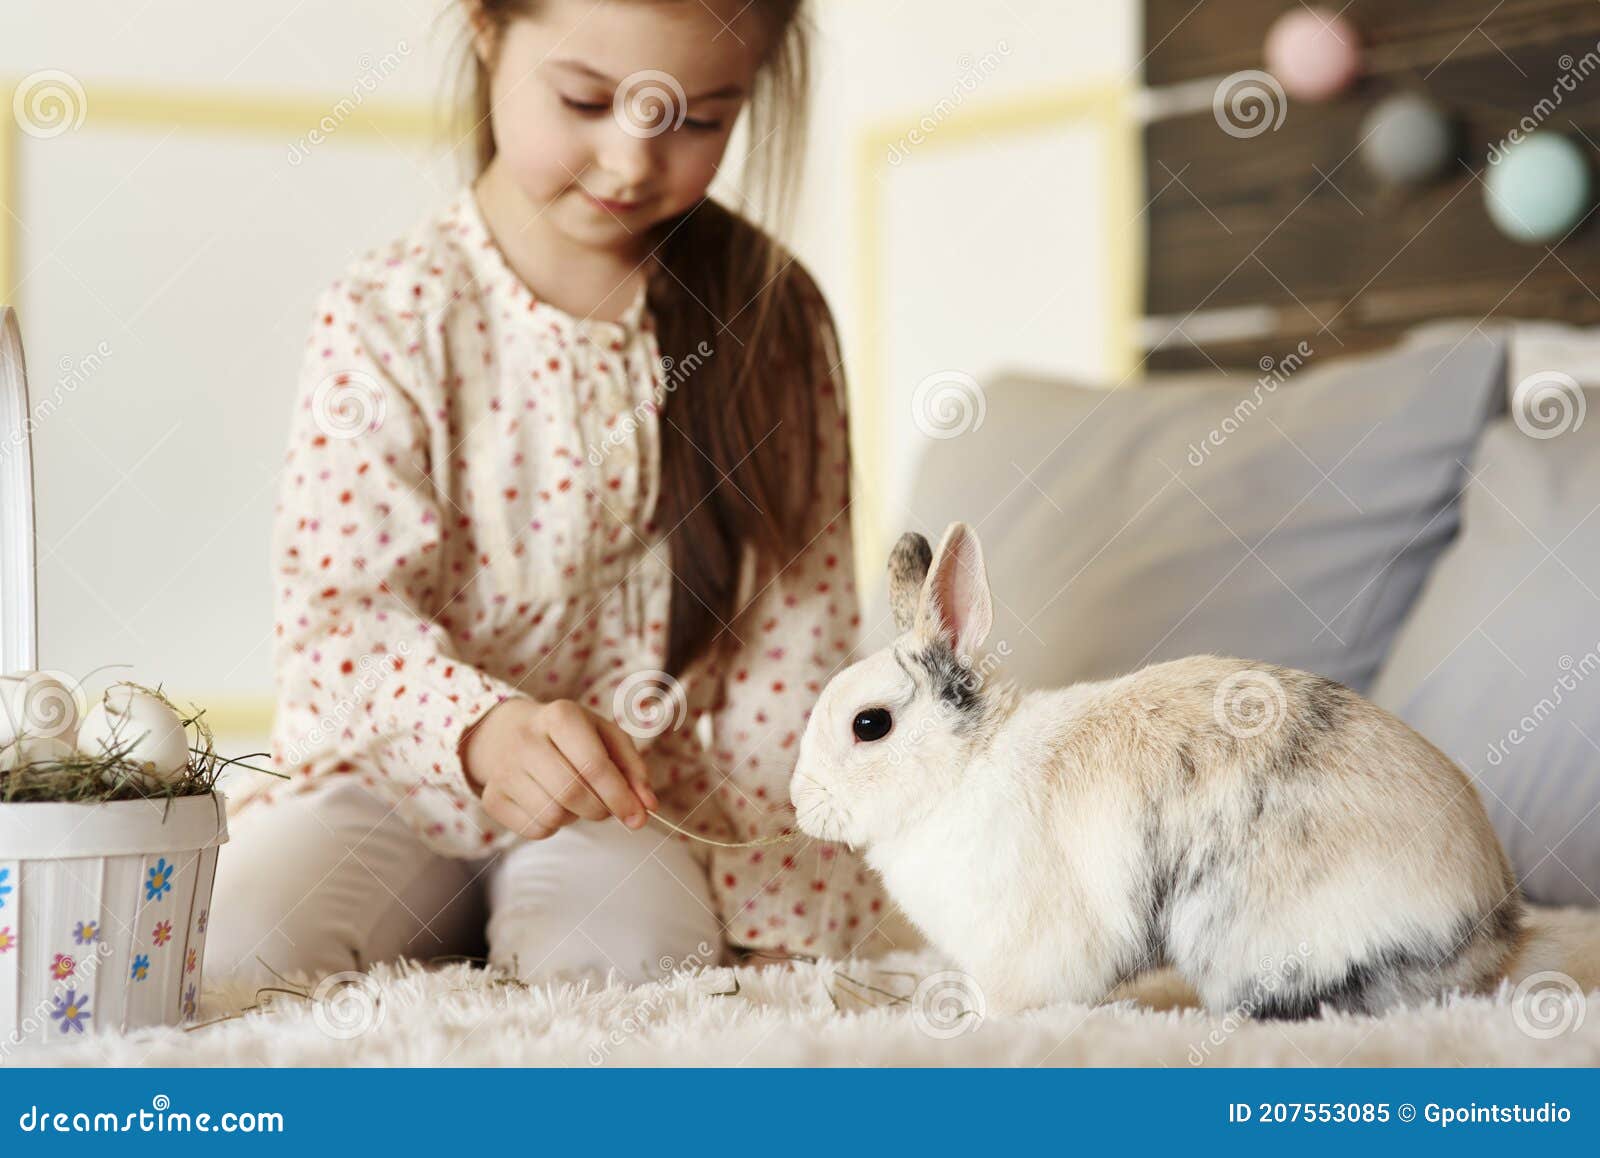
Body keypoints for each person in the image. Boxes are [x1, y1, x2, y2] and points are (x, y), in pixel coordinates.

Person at [208, 0, 909, 989]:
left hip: (620, 801)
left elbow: (790, 653)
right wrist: (481, 731)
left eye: (699, 119)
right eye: (586, 100)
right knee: (238, 953)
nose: (631, 161)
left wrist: (777, 915)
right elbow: (341, 622)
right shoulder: (388, 314)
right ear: (487, 29)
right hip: (383, 790)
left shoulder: (771, 314)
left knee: (630, 970)